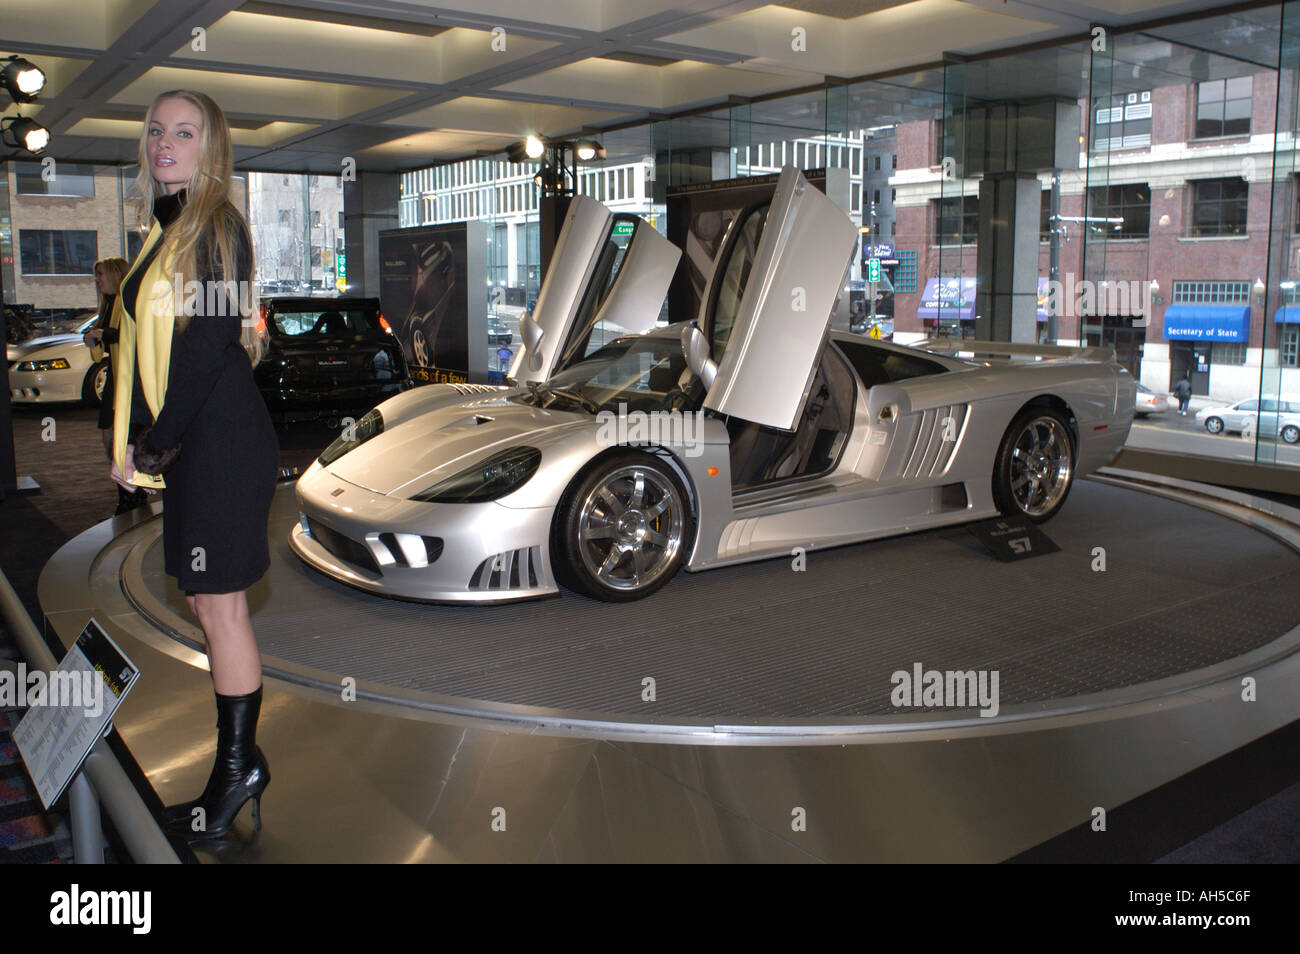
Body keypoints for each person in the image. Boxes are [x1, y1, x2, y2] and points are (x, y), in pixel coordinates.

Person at [108, 89, 278, 840]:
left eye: (184, 132)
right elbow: (146, 349)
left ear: (212, 148)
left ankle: (237, 770)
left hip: (222, 442)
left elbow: (209, 345)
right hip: (197, 441)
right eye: (156, 131)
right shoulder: (162, 230)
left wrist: (153, 446)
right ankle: (238, 767)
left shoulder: (215, 227)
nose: (164, 143)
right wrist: (142, 439)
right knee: (211, 607)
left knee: (221, 607)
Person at [82, 257, 143, 515]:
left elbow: (132, 336)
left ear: (116, 275)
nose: (97, 280)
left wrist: (103, 335)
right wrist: (96, 340)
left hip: (128, 384)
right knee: (113, 441)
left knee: (122, 442)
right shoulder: (108, 305)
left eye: (100, 274)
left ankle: (131, 496)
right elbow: (103, 351)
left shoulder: (128, 301)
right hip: (116, 382)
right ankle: (128, 495)